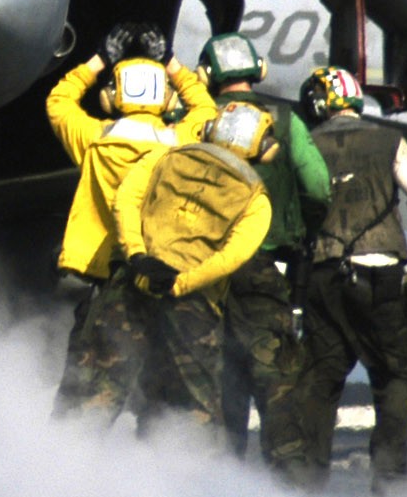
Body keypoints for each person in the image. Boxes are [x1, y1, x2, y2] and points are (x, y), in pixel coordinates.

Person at [280, 66, 407, 490]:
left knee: (321, 380)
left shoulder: (303, 146)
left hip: (322, 279)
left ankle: (304, 487)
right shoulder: (387, 141)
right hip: (379, 277)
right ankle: (389, 483)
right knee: (403, 374)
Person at [46, 21, 218, 419]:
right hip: (162, 273)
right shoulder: (180, 141)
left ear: (113, 97)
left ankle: (68, 455)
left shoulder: (95, 139)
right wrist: (172, 63)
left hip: (103, 274)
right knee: (161, 383)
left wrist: (98, 60)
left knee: (90, 376)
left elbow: (59, 102)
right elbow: (206, 109)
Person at [197, 33, 329, 462]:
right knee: (278, 385)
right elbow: (317, 187)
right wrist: (306, 228)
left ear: (205, 76)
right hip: (266, 269)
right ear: (260, 71)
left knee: (214, 385)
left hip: (203, 270)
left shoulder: (191, 120)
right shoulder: (287, 121)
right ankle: (289, 493)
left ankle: (214, 485)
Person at [110, 100, 280, 433]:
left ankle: (66, 472)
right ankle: (189, 481)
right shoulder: (256, 199)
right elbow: (232, 257)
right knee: (194, 412)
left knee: (96, 392)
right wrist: (182, 283)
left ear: (210, 130)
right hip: (193, 308)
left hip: (131, 284)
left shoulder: (164, 156)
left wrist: (137, 256)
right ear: (264, 149)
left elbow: (125, 200)